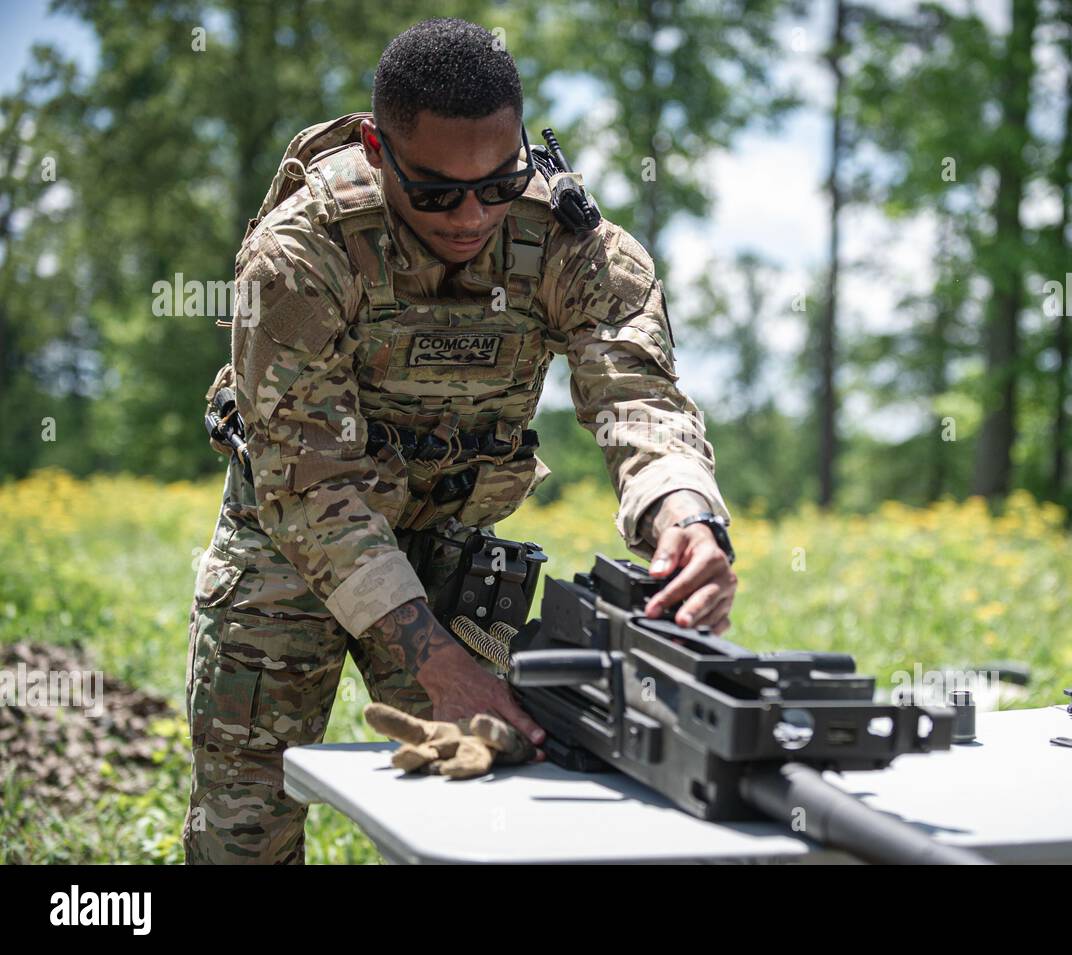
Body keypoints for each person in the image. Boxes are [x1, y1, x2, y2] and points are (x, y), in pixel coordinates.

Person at [183, 17, 735, 864]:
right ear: (377, 148)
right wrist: (434, 660)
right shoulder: (300, 255)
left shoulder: (571, 247)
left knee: (489, 795)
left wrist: (685, 513)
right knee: (245, 826)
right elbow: (312, 487)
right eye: (438, 192)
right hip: (290, 544)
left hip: (447, 541)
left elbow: (638, 392)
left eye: (500, 181)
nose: (473, 215)